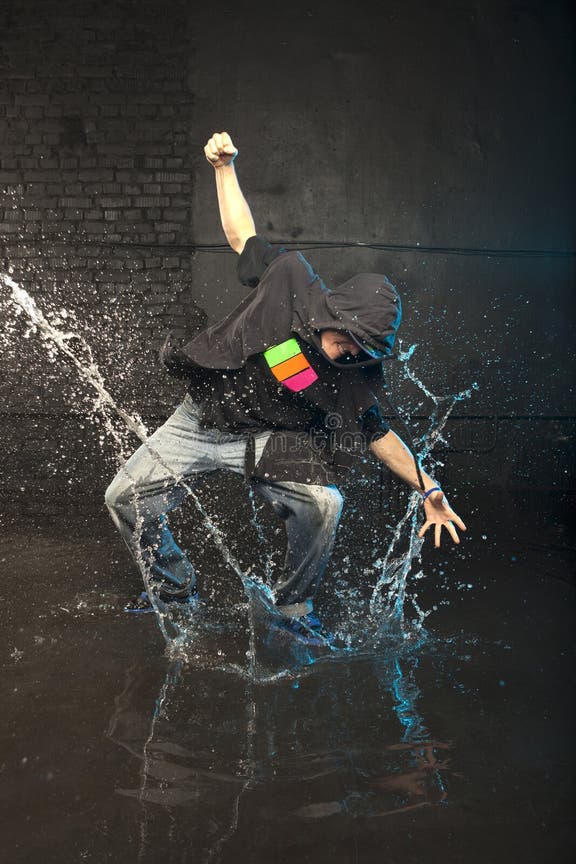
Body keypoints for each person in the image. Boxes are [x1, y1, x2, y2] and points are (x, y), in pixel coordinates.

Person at [105, 131, 466, 643]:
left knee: (325, 504)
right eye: (349, 342)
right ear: (333, 314)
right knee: (122, 496)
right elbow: (242, 238)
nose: (353, 355)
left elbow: (377, 434)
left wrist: (427, 486)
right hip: (203, 418)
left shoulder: (355, 374)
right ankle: (173, 590)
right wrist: (224, 169)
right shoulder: (293, 280)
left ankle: (293, 609)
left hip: (272, 440)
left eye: (365, 352)